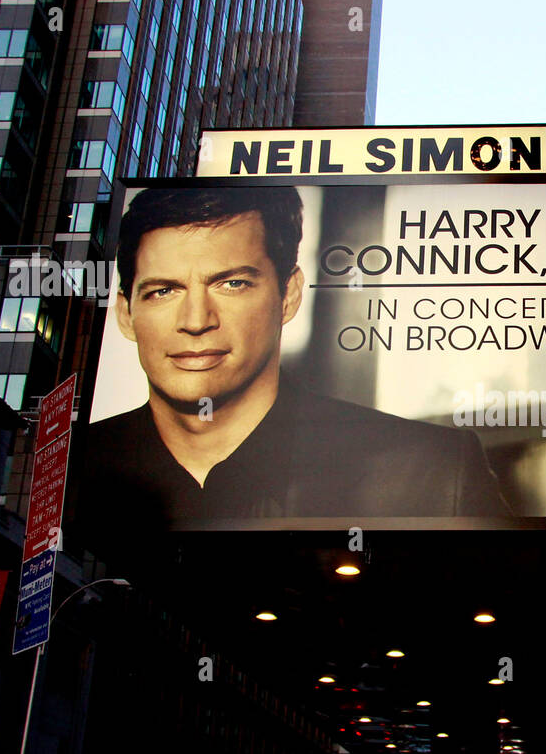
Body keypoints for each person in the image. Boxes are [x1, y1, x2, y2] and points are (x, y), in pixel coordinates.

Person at [80, 185, 510, 538]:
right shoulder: (77, 472)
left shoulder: (433, 471)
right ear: (125, 313)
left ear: (288, 295)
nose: (196, 321)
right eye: (163, 291)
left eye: (231, 284)